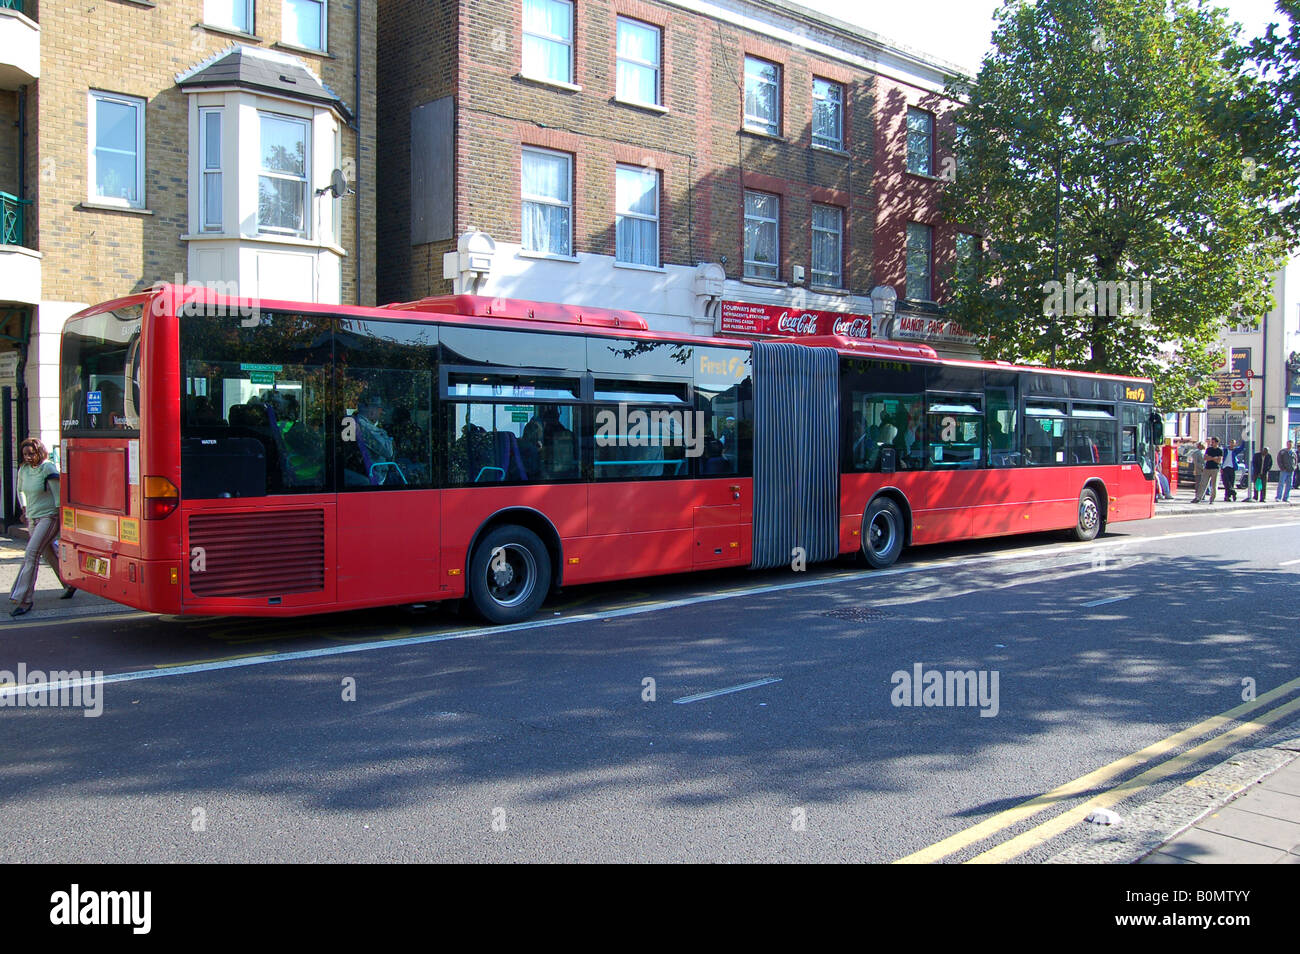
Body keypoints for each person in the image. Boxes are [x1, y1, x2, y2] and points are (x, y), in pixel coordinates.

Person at [10, 438, 75, 617]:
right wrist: (24, 509)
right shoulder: (24, 470)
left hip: (49, 517)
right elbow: (20, 490)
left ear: (40, 452)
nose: (29, 457)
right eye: (25, 454)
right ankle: (69, 583)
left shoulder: (48, 469)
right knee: (47, 552)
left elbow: (58, 498)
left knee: (31, 553)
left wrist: (62, 522)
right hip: (32, 517)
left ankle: (24, 599)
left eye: (32, 453)